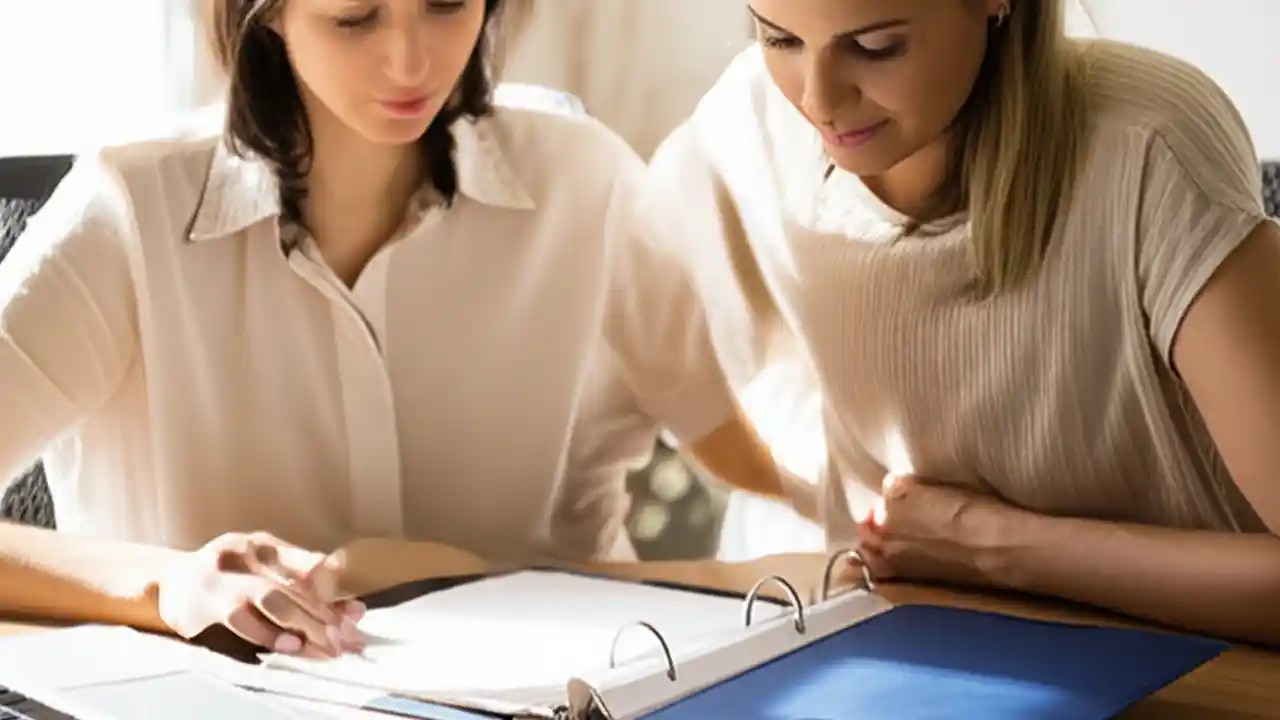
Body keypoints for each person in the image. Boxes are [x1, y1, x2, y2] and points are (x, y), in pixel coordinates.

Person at [0, 0, 807, 660]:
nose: (412, 61)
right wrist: (167, 584)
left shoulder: (583, 182)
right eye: (357, 19)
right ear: (267, 14)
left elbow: (755, 451)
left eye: (447, 5)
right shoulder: (128, 211)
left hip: (561, 692)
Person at [652, 0, 1280, 645]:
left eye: (875, 47)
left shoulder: (1148, 142)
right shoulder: (745, 125)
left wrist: (998, 546)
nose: (818, 99)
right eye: (779, 37)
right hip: (910, 651)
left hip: (1212, 669)